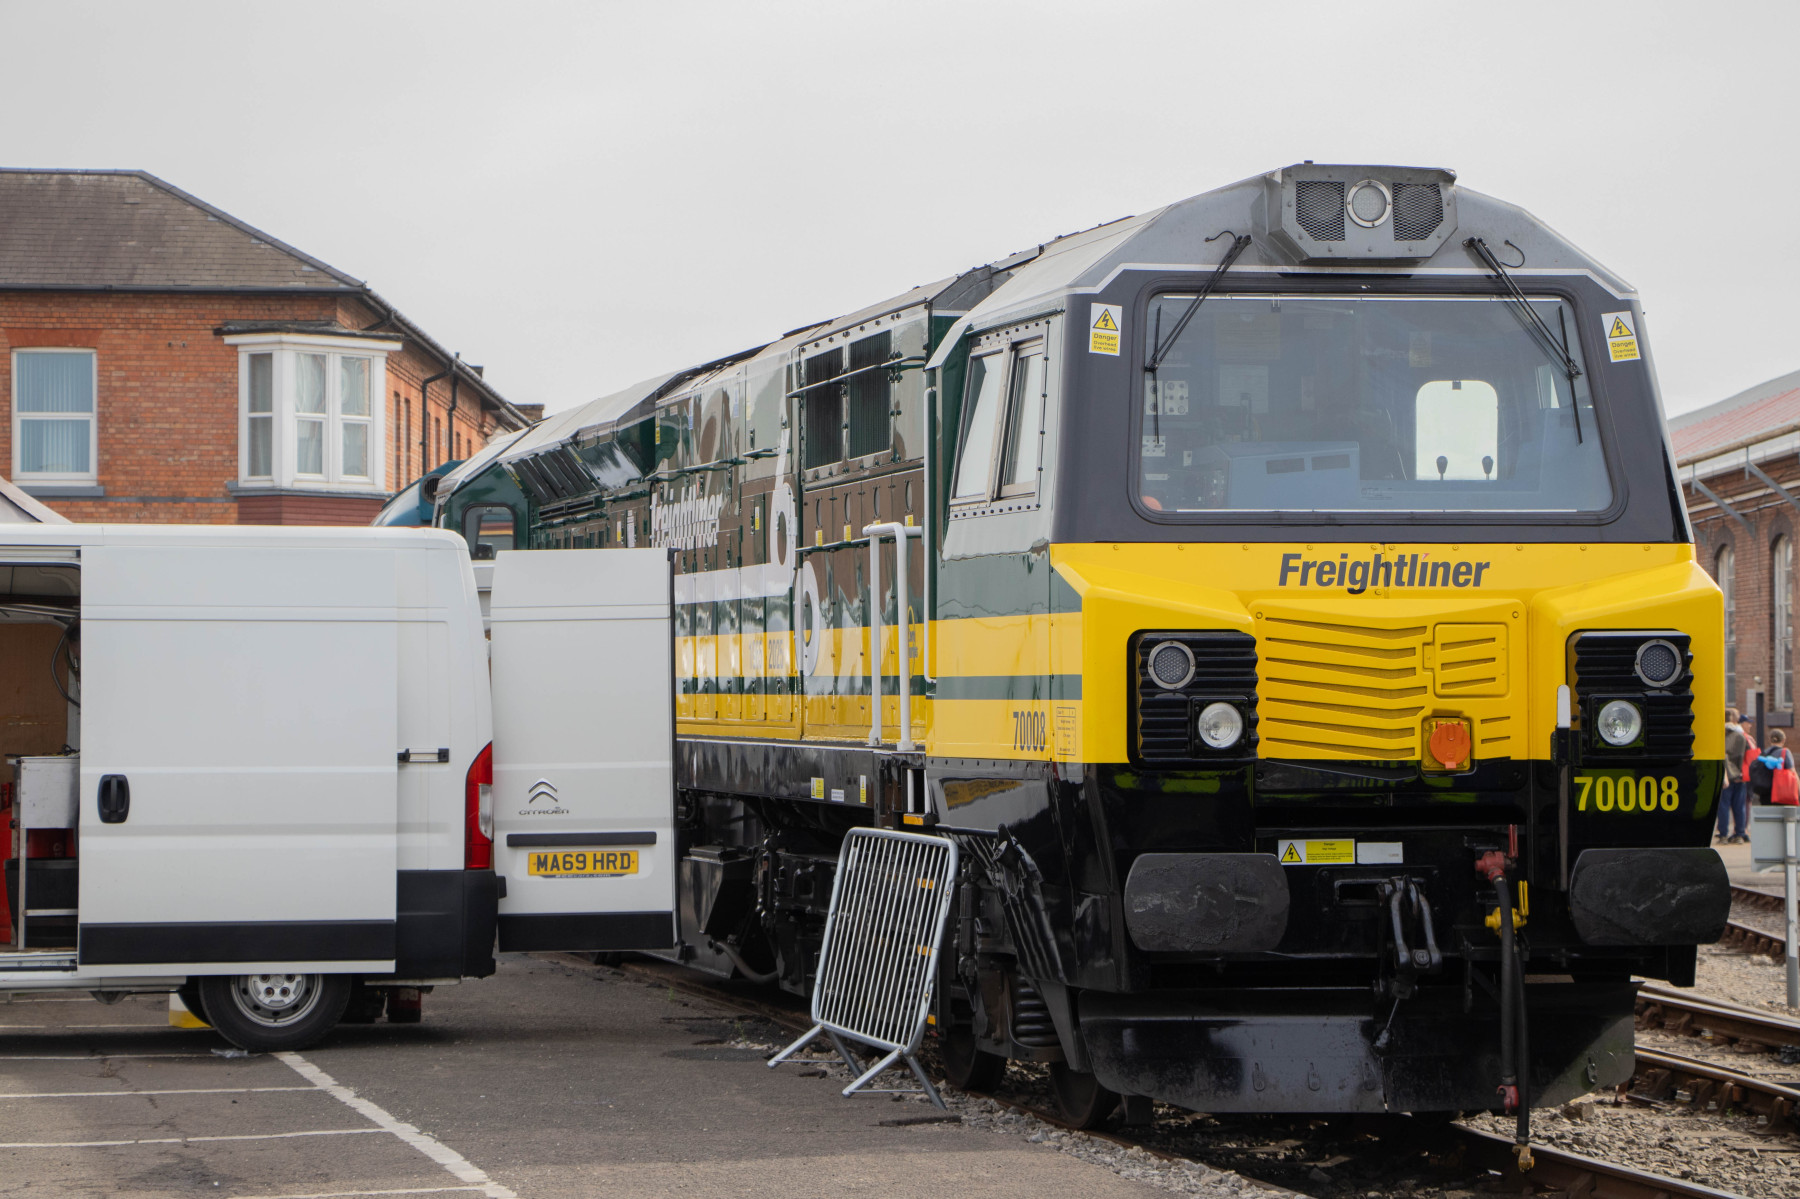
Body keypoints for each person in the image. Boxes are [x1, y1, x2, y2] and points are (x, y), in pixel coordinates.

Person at [1720, 708, 1752, 843]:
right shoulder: (1741, 736)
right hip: (1739, 774)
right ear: (1734, 719)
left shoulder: (1718, 734)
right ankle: (1739, 834)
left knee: (1723, 806)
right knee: (1739, 806)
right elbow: (1749, 755)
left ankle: (1723, 834)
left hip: (1724, 774)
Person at [1748, 728, 1793, 809]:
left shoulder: (1763, 754)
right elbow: (1792, 772)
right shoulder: (1785, 752)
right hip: (1782, 791)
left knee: (1768, 814)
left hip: (1766, 792)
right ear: (1783, 740)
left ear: (1770, 740)